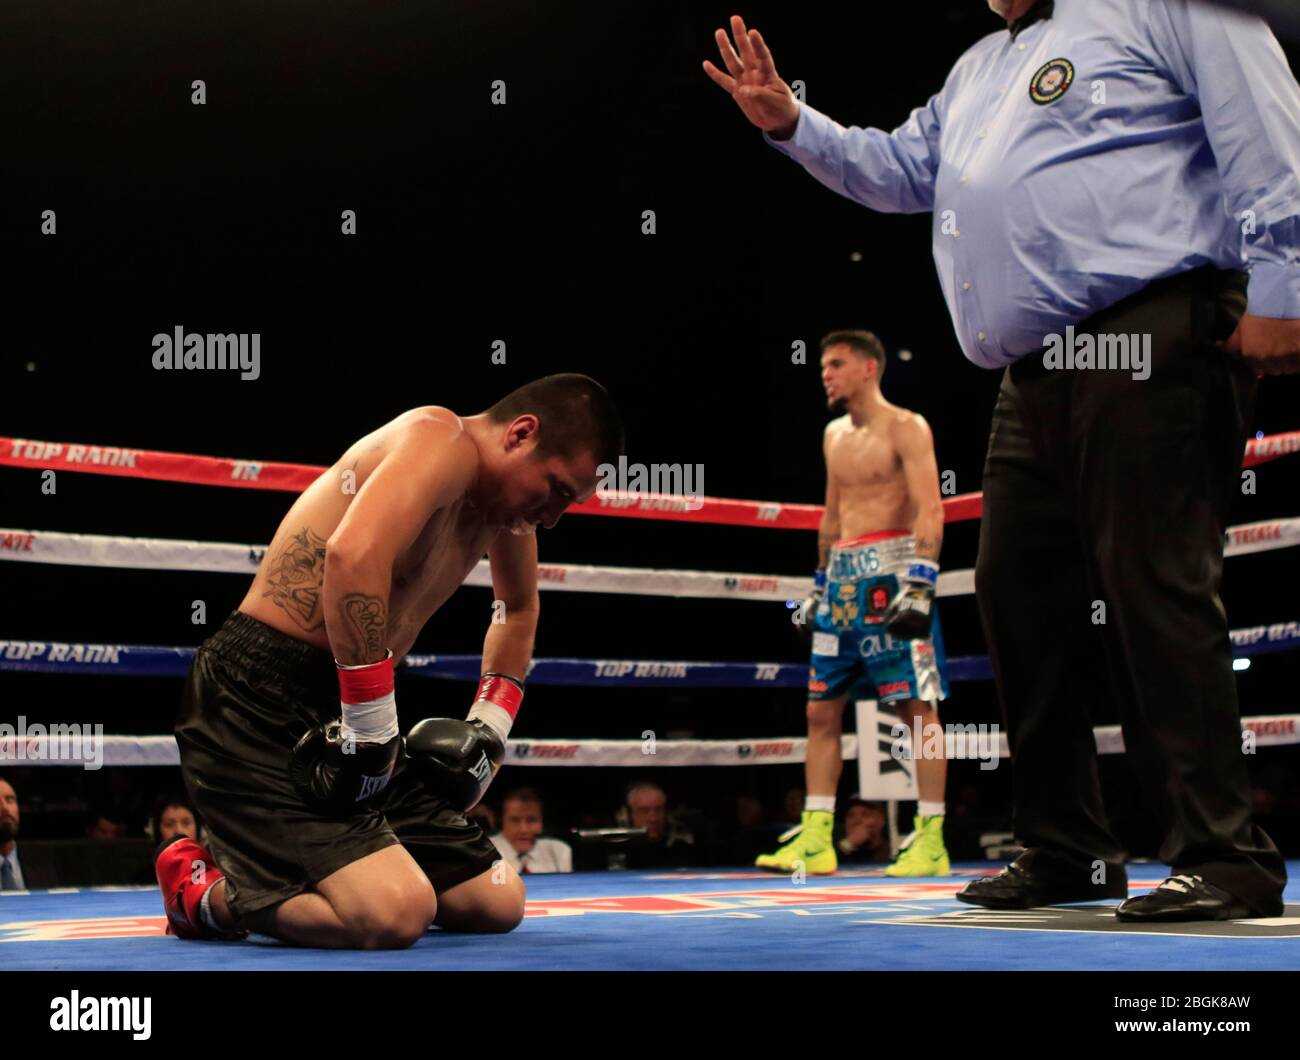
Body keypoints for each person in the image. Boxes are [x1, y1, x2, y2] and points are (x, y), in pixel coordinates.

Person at [706, 2, 1298, 920]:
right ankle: (1068, 848)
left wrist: (1286, 283)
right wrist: (794, 121)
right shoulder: (979, 66)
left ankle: (1224, 853)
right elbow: (902, 169)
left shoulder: (1160, 6)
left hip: (1151, 328)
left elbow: (1263, 125)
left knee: (1154, 583)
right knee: (1016, 595)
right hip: (1035, 370)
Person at [155, 374, 622, 948]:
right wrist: (374, 723)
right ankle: (206, 897)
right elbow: (352, 556)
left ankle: (341, 866)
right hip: (256, 697)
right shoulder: (438, 439)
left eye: (567, 502)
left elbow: (517, 608)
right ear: (521, 434)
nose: (552, 516)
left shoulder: (506, 511)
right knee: (394, 915)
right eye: (555, 489)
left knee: (497, 899)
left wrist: (489, 729)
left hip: (354, 704)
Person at [755, 331, 951, 877]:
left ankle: (931, 838)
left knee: (916, 709)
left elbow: (931, 508)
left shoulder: (907, 427)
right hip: (842, 584)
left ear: (869, 368)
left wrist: (921, 581)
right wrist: (819, 583)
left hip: (895, 574)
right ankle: (817, 838)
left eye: (836, 364)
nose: (826, 373)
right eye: (823, 365)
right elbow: (832, 514)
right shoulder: (833, 435)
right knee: (820, 708)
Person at [489, 787, 573, 873]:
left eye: (531, 820)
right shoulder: (485, 851)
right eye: (515, 820)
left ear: (542, 822)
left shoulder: (559, 850)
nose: (524, 830)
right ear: (502, 822)